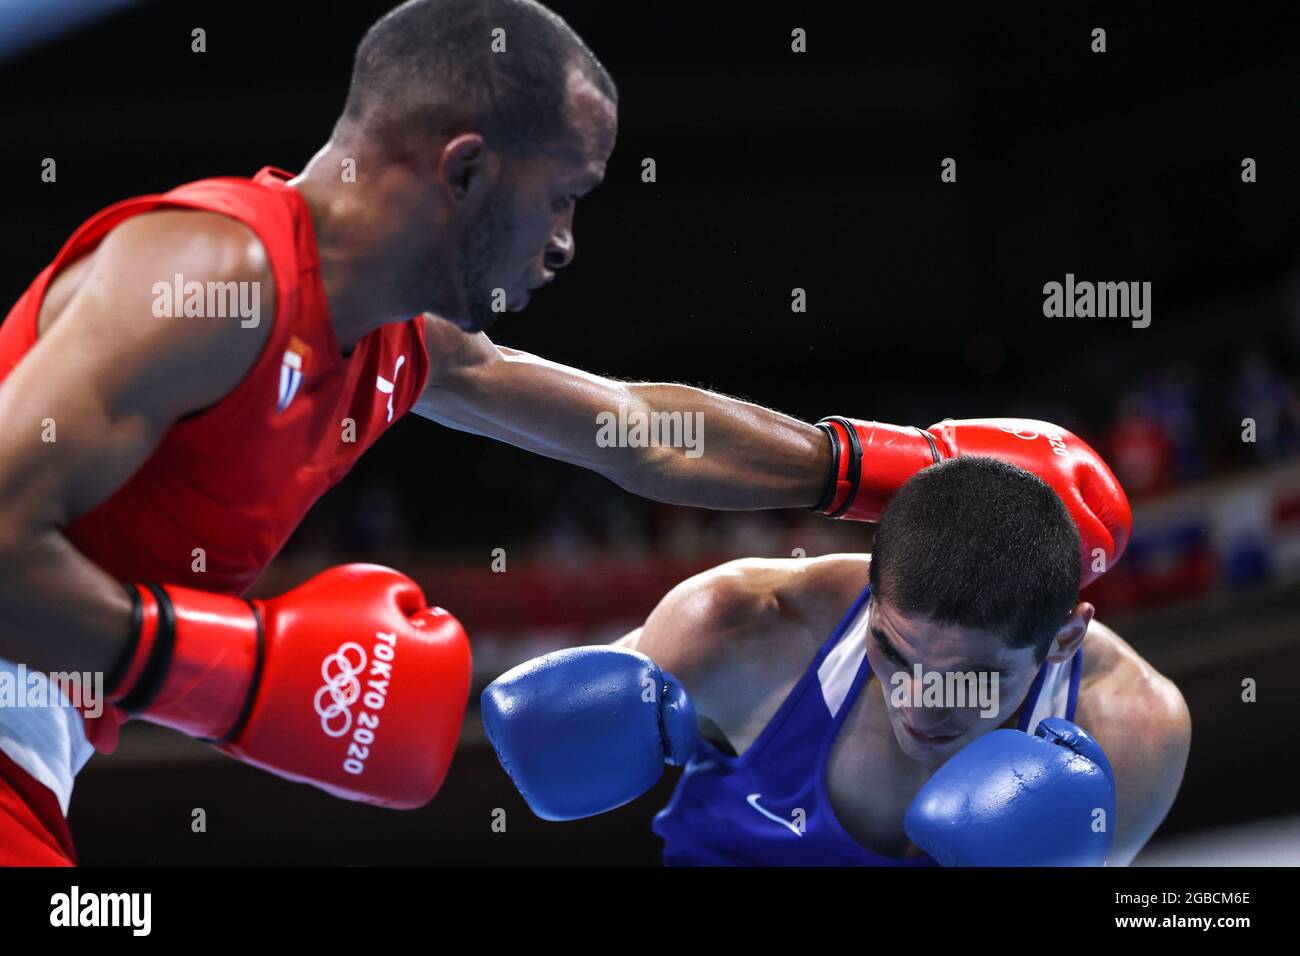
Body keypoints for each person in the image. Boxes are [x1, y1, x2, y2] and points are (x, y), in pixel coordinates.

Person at [0, 0, 867, 866]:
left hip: (39, 758)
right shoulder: (214, 280)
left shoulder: (408, 345)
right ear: (465, 171)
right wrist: (232, 677)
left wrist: (893, 469)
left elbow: (642, 432)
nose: (565, 243)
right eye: (562, 197)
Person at [484, 424, 1191, 866]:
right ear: (873, 592)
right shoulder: (738, 628)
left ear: (1065, 638)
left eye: (968, 676)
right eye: (895, 653)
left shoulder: (1134, 726)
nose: (919, 701)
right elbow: (567, 727)